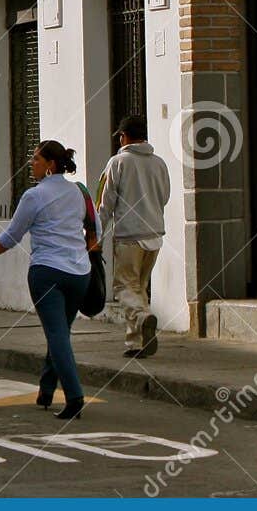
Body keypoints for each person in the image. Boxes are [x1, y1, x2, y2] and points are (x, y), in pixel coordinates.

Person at [0, 140, 99, 421]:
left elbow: (12, 235)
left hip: (47, 272)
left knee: (56, 334)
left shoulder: (34, 196)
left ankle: (74, 396)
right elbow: (96, 228)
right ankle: (46, 389)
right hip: (80, 273)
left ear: (50, 166)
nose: (31, 163)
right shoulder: (80, 192)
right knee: (60, 333)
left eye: (36, 159)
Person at [98, 114, 171, 359]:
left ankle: (141, 318)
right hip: (154, 235)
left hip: (129, 236)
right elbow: (165, 197)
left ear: (124, 137)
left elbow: (105, 202)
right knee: (139, 288)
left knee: (124, 287)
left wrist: (97, 234)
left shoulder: (118, 162)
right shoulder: (159, 163)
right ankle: (136, 343)